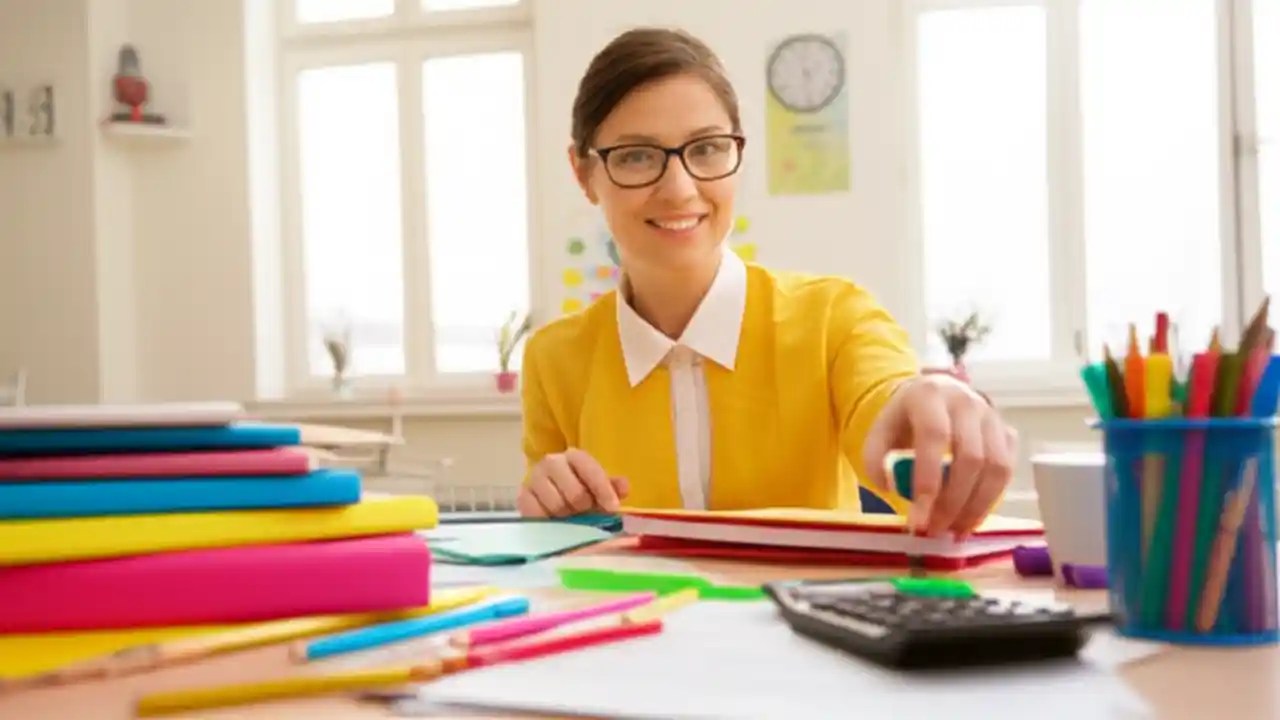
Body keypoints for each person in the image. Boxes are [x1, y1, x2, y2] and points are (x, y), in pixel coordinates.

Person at [516, 27, 1017, 538]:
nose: (679, 188)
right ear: (583, 174)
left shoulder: (835, 319)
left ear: (738, 153)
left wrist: (929, 415)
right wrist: (551, 515)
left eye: (707, 148)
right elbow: (561, 552)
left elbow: (887, 409)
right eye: (636, 156)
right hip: (640, 619)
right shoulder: (553, 362)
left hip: (802, 618)